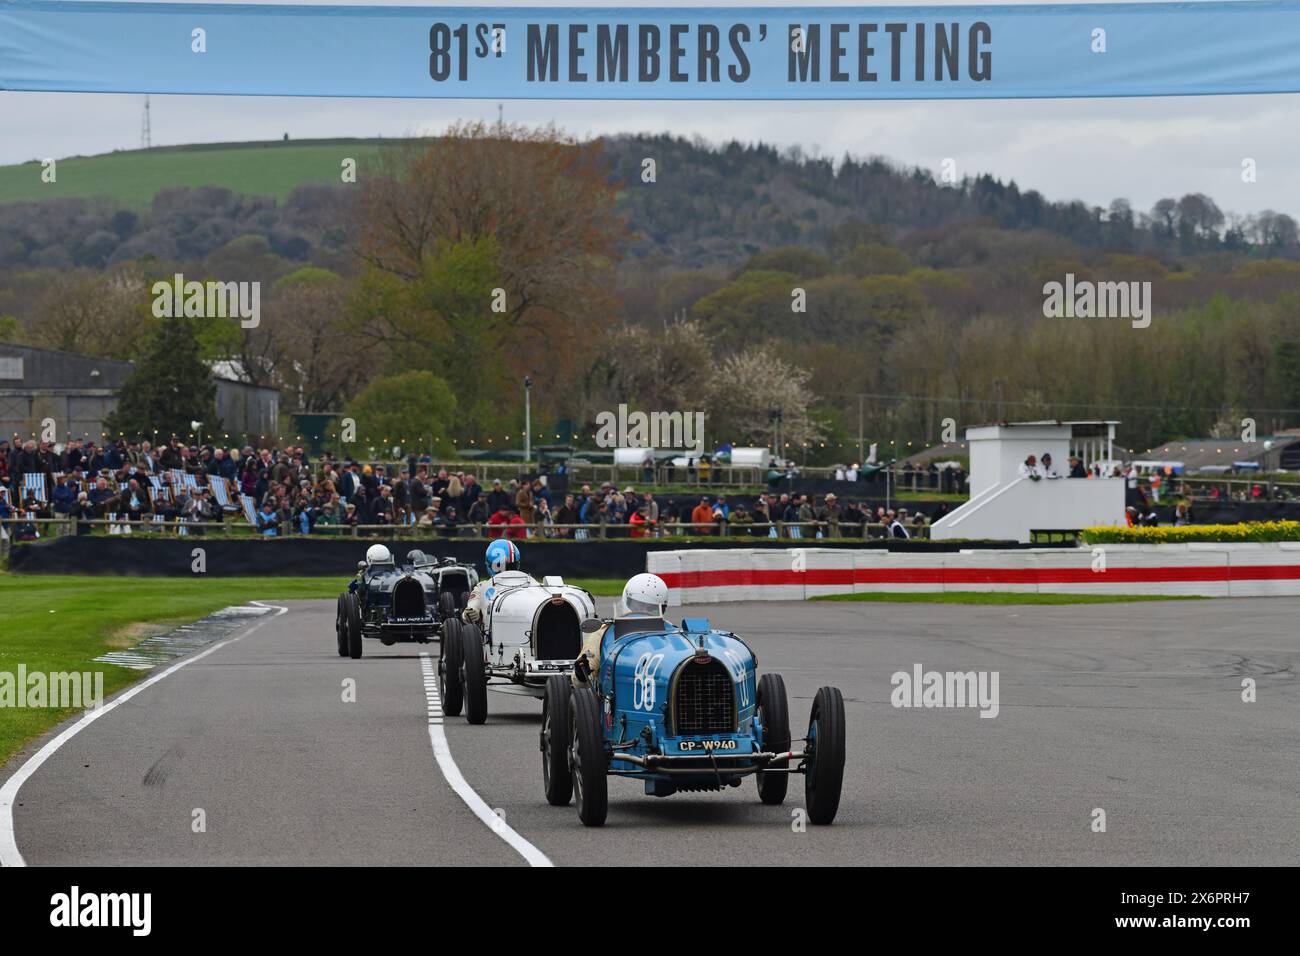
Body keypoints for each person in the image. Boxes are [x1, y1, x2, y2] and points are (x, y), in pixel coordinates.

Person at [573, 572, 669, 689]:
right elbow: (578, 683)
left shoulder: (670, 631)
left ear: (662, 608)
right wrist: (581, 673)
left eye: (651, 608)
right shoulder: (604, 634)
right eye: (639, 605)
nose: (644, 611)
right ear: (627, 601)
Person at [462, 540, 536, 630]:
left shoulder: (482, 587)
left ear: (490, 565)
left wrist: (471, 611)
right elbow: (472, 606)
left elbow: (471, 607)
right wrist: (472, 610)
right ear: (517, 563)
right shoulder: (531, 583)